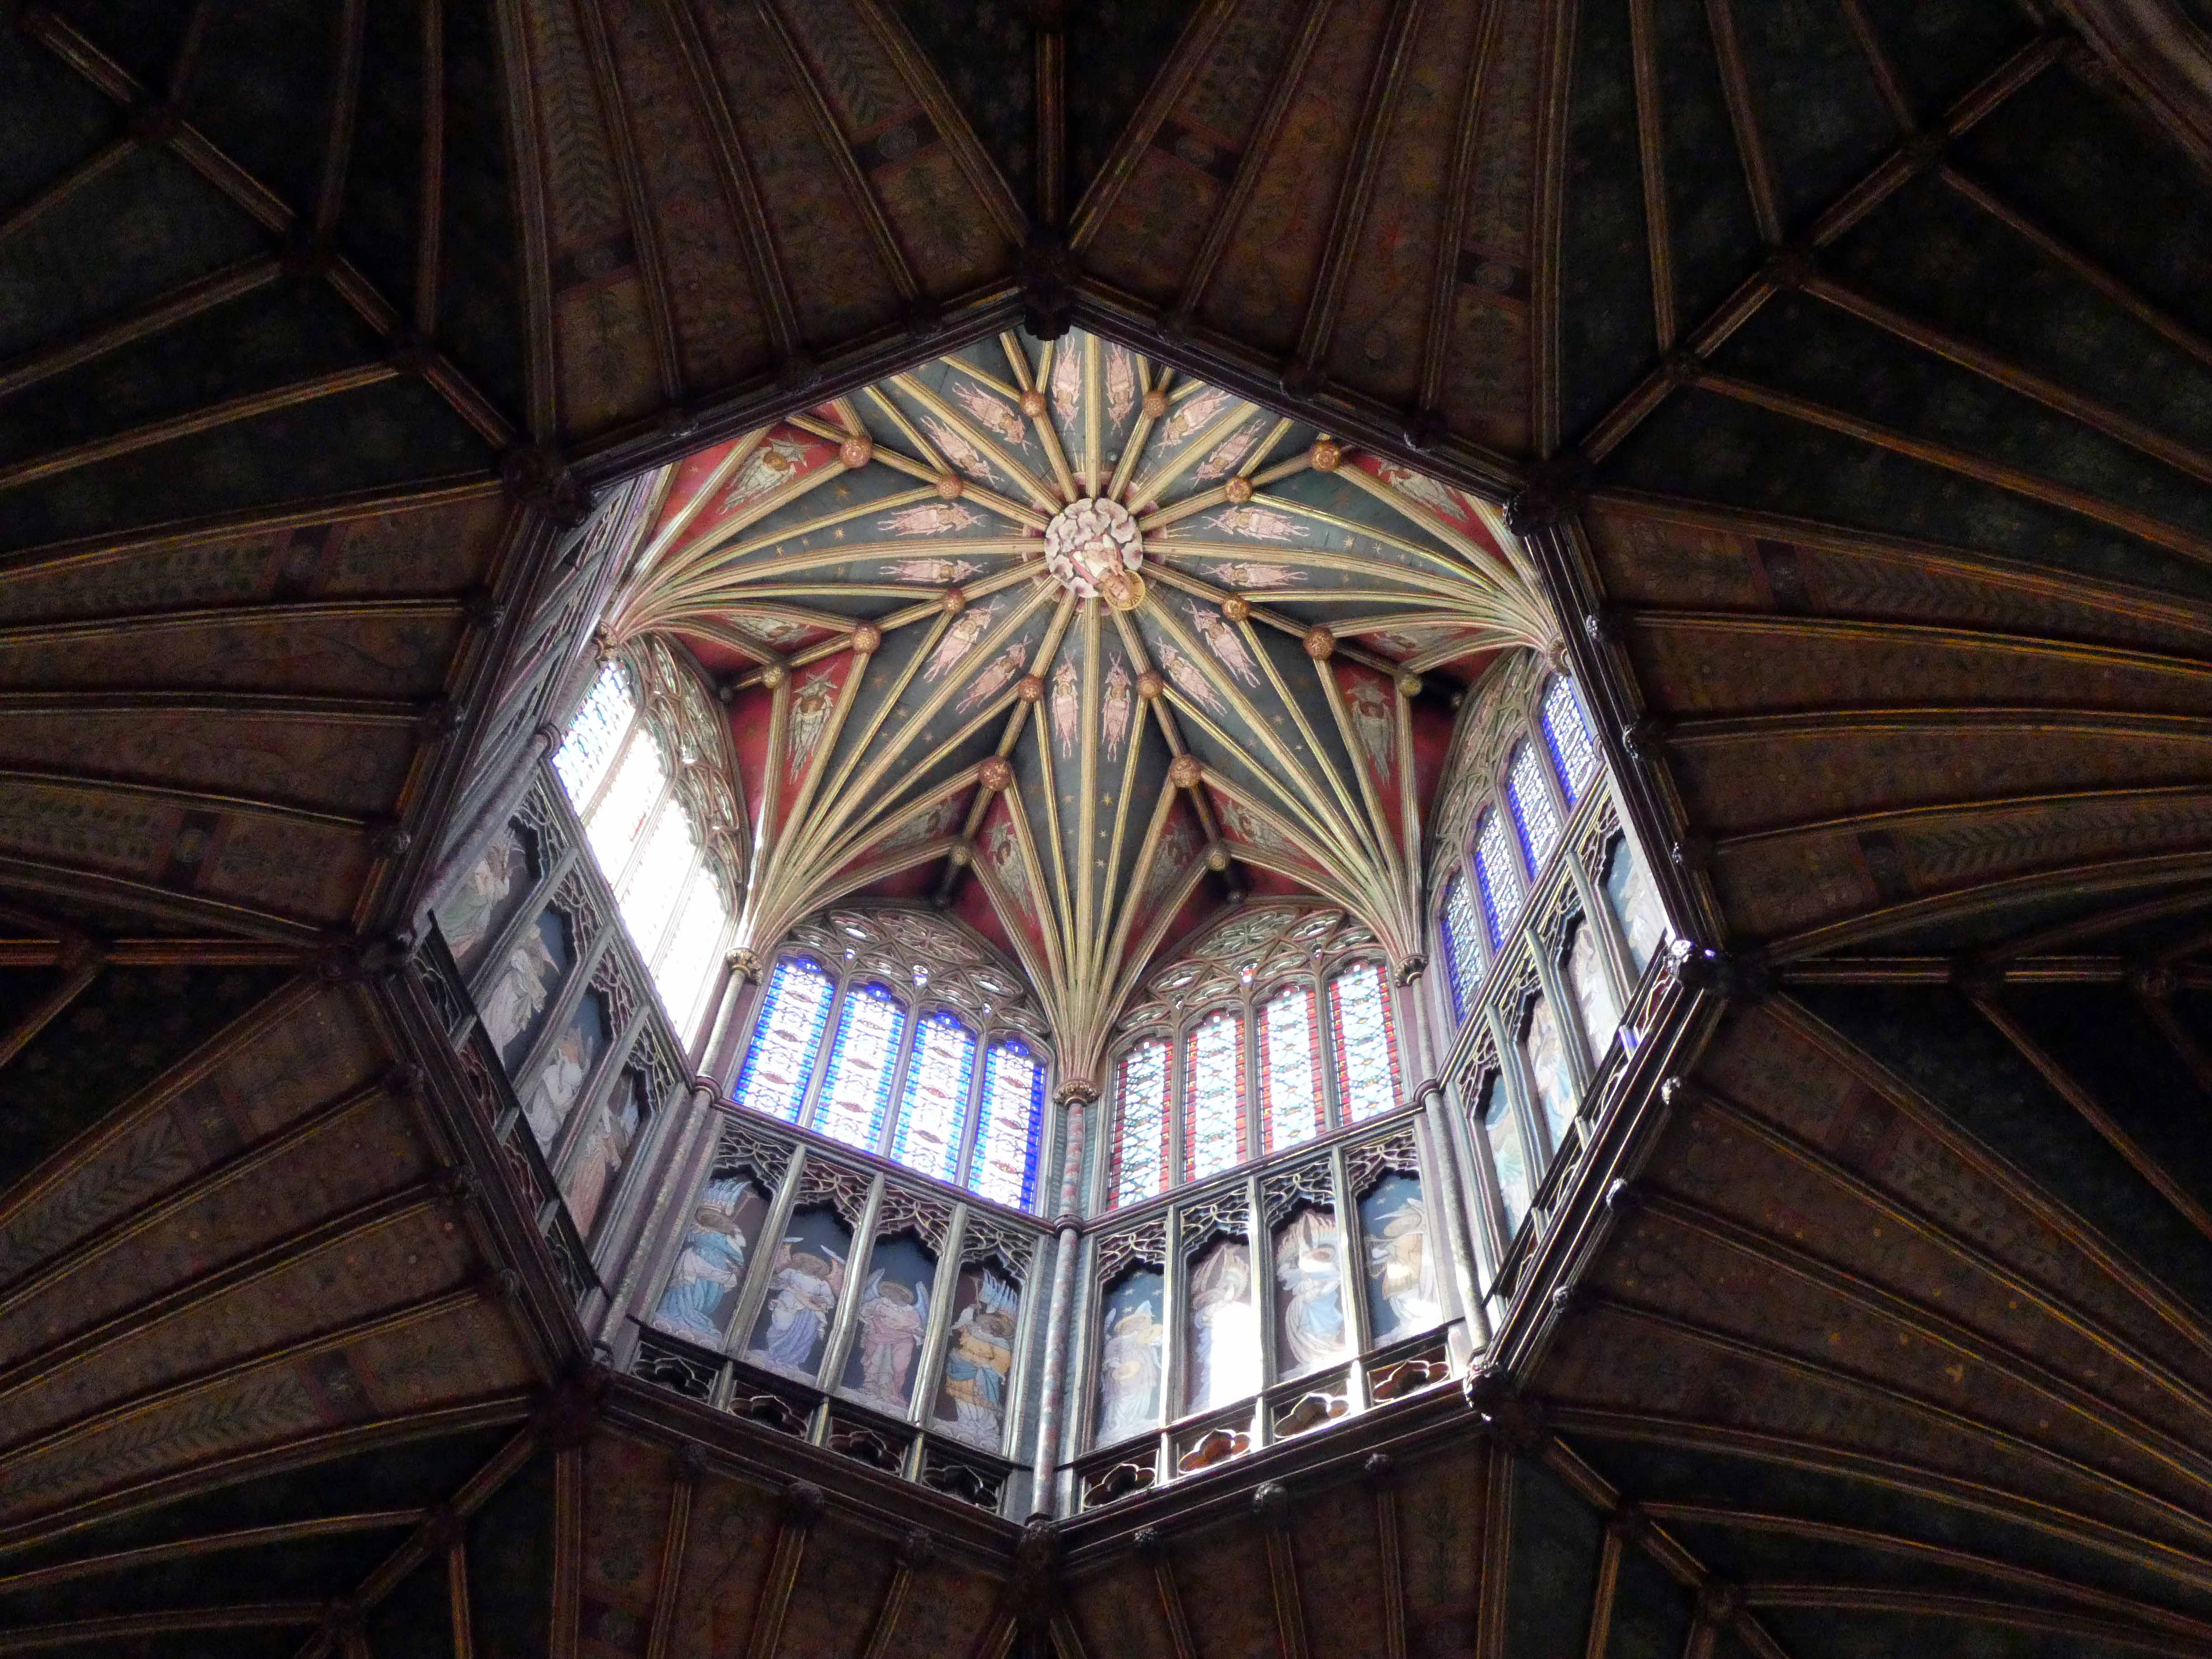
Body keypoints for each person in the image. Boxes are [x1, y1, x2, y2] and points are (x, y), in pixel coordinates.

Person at [650, 1182, 754, 1345]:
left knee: (694, 1292)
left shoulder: (700, 1232)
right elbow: (738, 1251)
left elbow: (736, 1252)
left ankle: (683, 1314)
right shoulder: (717, 1238)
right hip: (700, 1264)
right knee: (692, 1291)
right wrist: (734, 1234)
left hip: (700, 1263)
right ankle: (685, 1315)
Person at [751, 1237, 847, 1375]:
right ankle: (774, 1353)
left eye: (818, 1264)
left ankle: (790, 1361)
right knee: (782, 1327)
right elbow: (773, 1283)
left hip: (809, 1314)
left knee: (804, 1335)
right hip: (789, 1304)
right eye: (811, 1261)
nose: (815, 1265)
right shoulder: (791, 1273)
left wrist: (817, 1299)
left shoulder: (821, 1283)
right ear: (803, 1260)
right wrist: (790, 1287)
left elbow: (830, 1301)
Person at [938, 1298, 1017, 1444]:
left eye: (996, 1325)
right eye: (991, 1321)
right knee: (962, 1401)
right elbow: (961, 1327)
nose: (991, 1325)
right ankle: (966, 1425)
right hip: (961, 1370)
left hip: (981, 1376)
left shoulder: (1001, 1343)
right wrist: (971, 1309)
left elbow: (1001, 1364)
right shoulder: (974, 1331)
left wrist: (983, 1363)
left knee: (980, 1405)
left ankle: (989, 1432)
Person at [1274, 1211, 1345, 1371]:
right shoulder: (1305, 1271)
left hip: (1323, 1301)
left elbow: (1335, 1281)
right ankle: (1313, 1353)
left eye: (1320, 1255)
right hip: (1307, 1302)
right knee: (1305, 1326)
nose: (1317, 1257)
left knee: (1324, 1325)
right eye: (1314, 1255)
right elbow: (1294, 1278)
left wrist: (1319, 1292)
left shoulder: (1329, 1267)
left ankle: (1327, 1347)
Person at [851, 1272, 928, 1407]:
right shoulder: (880, 1302)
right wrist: (874, 1314)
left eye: (894, 1291)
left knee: (897, 1368)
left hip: (901, 1343)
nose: (890, 1293)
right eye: (888, 1290)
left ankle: (889, 1393)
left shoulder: (912, 1312)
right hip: (878, 1339)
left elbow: (918, 1330)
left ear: (902, 1294)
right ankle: (871, 1388)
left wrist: (907, 1329)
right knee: (875, 1363)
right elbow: (864, 1311)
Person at [1097, 1299, 1162, 1441]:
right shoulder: (1116, 1342)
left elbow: (1154, 1341)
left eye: (1136, 1324)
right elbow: (1110, 1356)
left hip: (1143, 1371)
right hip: (1125, 1374)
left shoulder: (1139, 1338)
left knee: (1142, 1394)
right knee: (1123, 1398)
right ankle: (1118, 1425)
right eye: (1130, 1325)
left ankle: (1136, 1420)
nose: (1134, 1326)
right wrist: (1117, 1367)